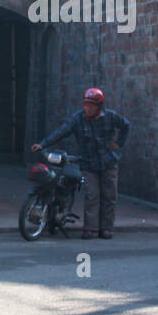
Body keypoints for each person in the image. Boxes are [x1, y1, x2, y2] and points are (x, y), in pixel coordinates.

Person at [32, 87, 129, 239]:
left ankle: (106, 229)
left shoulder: (110, 117)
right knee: (92, 195)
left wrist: (118, 143)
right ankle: (90, 229)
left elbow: (125, 126)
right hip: (88, 163)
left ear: (99, 107)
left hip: (108, 162)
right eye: (86, 105)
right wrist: (43, 144)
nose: (87, 108)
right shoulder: (78, 119)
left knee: (109, 196)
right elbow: (62, 131)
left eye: (91, 106)